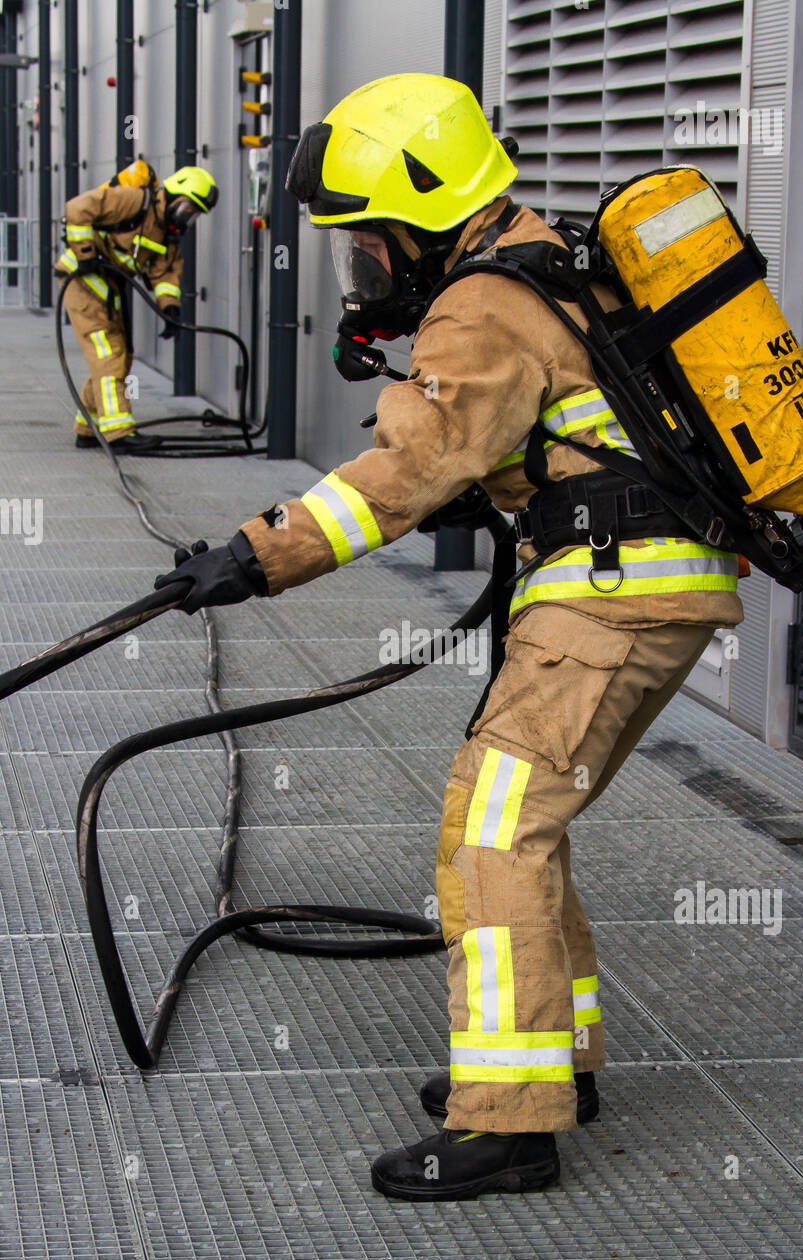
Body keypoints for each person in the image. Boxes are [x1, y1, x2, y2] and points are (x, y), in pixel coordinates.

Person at [154, 74, 744, 1201]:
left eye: (368, 245)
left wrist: (254, 550)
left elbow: (404, 472)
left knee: (491, 830)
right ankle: (549, 1065)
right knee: (520, 817)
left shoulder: (480, 303)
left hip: (608, 598)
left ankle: (509, 1124)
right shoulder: (540, 257)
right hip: (647, 588)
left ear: (423, 213)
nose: (362, 268)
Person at [56, 163, 218, 453]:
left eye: (193, 216)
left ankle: (88, 428)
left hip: (106, 285)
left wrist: (169, 307)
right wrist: (85, 254)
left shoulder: (166, 236)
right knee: (108, 351)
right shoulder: (133, 200)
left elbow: (165, 274)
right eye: (186, 210)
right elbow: (77, 208)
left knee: (120, 354)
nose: (186, 219)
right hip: (80, 278)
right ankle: (118, 432)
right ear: (173, 194)